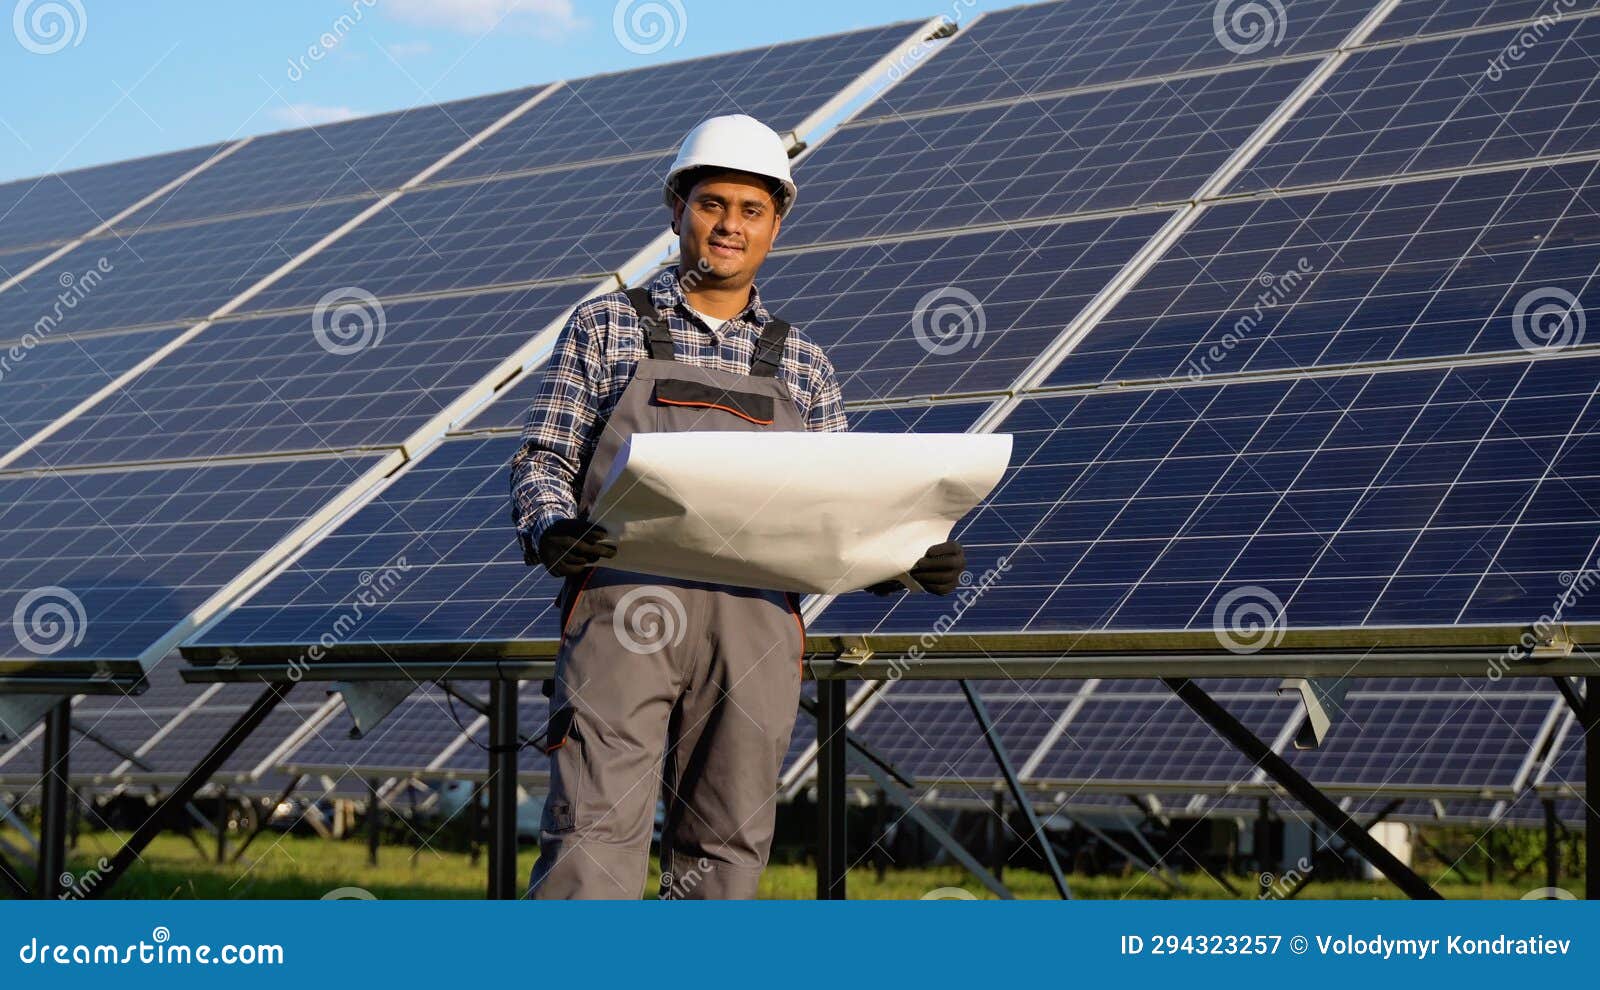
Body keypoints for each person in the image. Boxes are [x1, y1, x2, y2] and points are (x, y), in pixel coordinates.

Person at [508, 114, 965, 899]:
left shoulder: (804, 364)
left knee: (726, 850)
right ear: (676, 210)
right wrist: (551, 526)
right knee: (592, 837)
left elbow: (838, 510)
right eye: (712, 204)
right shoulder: (606, 325)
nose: (730, 225)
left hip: (755, 627)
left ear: (775, 226)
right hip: (625, 610)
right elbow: (543, 458)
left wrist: (903, 556)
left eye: (752, 210)